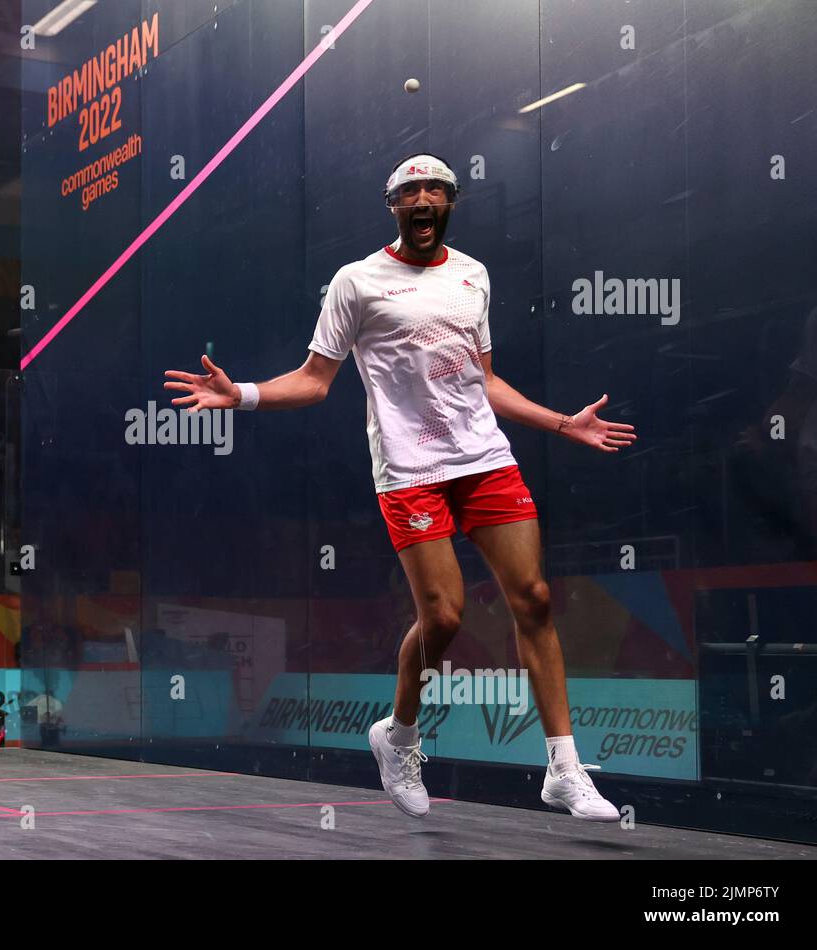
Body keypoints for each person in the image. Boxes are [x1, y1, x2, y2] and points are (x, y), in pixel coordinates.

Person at [163, 153, 636, 822]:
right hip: (410, 473)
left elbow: (487, 381)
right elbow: (314, 380)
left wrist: (563, 424)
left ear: (450, 203)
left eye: (435, 190)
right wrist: (239, 394)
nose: (423, 199)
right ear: (393, 206)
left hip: (485, 460)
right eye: (410, 191)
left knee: (532, 597)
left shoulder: (473, 276)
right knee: (444, 616)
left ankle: (563, 767)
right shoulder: (356, 283)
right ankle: (400, 735)